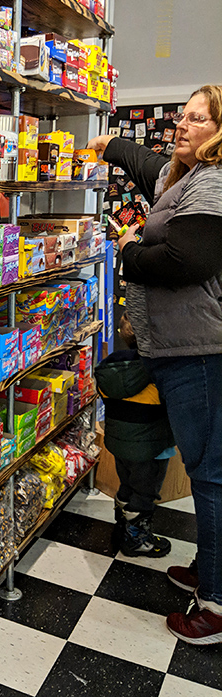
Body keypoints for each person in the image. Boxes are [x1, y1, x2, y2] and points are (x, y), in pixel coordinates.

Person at [89, 84, 222, 645]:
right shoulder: (187, 176)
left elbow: (182, 260)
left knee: (211, 475)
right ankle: (211, 570)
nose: (183, 125)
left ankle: (214, 604)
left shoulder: (214, 182)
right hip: (178, 348)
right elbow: (150, 172)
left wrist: (126, 252)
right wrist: (110, 145)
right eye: (182, 116)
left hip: (199, 351)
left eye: (198, 118)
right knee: (203, 467)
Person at [95, 313, 174, 557]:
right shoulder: (157, 374)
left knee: (127, 485)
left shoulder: (111, 369)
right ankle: (137, 539)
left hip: (120, 445)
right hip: (151, 449)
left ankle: (123, 525)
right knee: (145, 493)